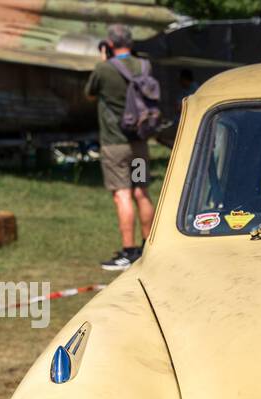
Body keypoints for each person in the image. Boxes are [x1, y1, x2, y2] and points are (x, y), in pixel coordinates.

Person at [85, 24, 155, 271]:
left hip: (115, 144)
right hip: (139, 142)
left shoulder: (104, 69)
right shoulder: (144, 65)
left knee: (122, 194)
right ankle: (149, 246)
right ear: (131, 43)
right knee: (141, 192)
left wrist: (106, 60)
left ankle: (128, 251)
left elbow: (90, 94)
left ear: (110, 44)